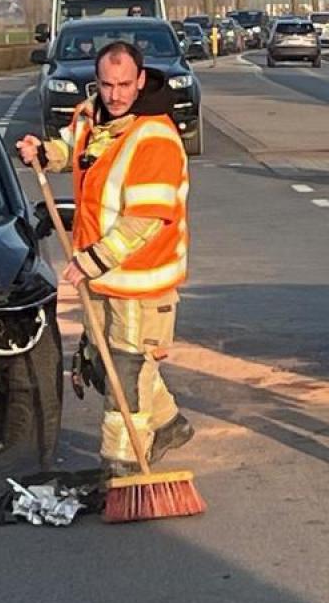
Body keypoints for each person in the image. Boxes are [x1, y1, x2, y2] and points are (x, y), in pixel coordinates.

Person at [16, 41, 195, 477]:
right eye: (107, 85)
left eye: (124, 85)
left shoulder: (154, 138)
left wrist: (90, 261)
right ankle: (169, 425)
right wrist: (45, 153)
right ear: (97, 82)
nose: (115, 95)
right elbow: (75, 149)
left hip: (140, 279)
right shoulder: (92, 116)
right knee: (104, 362)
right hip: (102, 275)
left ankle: (123, 464)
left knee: (126, 371)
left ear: (140, 80)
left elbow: (144, 221)